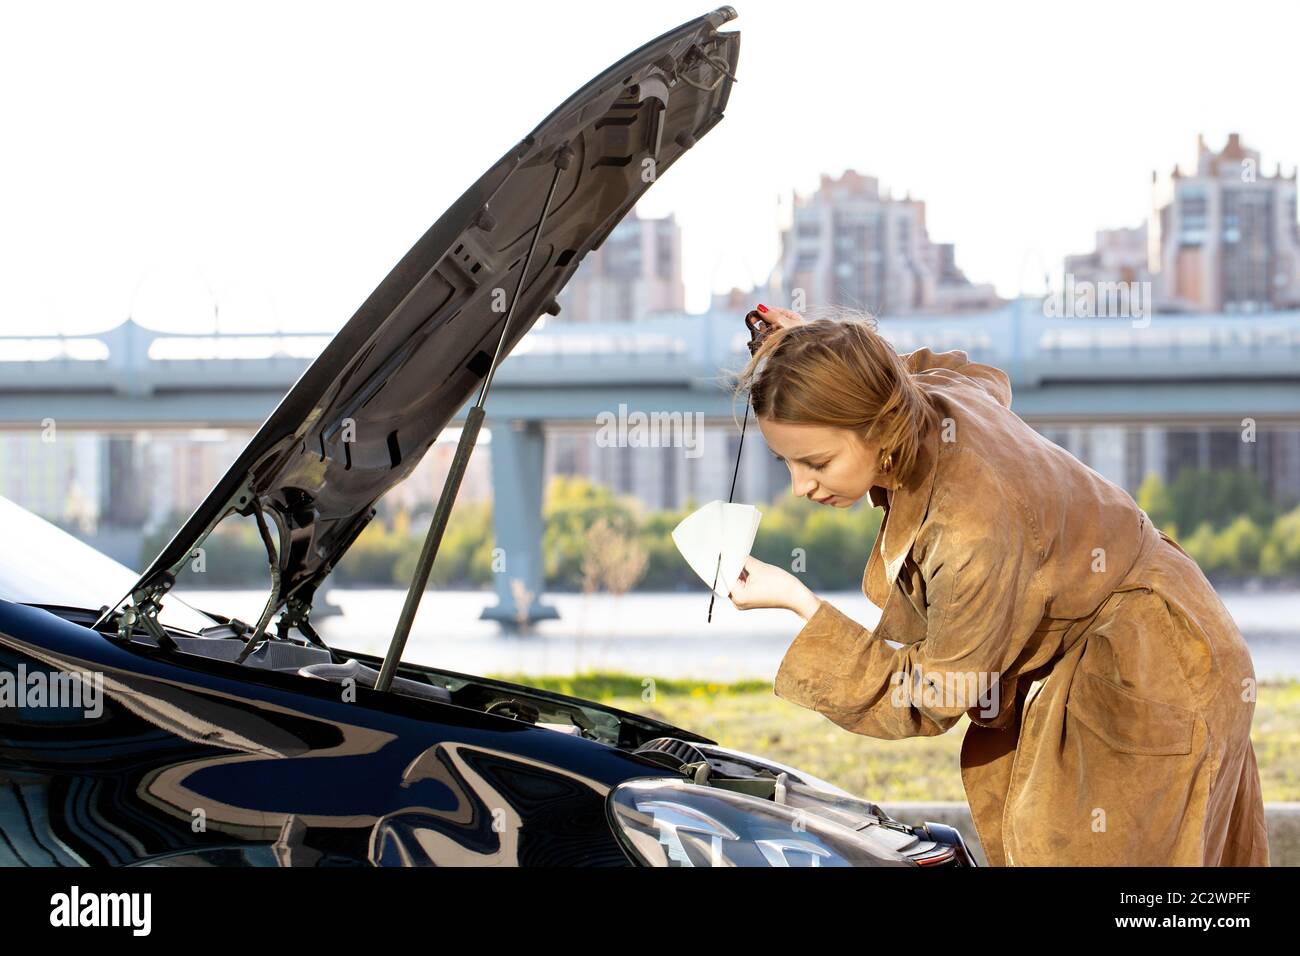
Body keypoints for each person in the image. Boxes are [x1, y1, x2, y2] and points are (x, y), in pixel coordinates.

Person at [727, 304, 1270, 867]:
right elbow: (968, 376)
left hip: (1150, 676)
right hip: (1175, 633)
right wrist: (816, 355)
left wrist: (800, 604)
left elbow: (935, 696)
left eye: (816, 462)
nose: (799, 486)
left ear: (877, 423)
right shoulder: (931, 398)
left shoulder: (970, 529)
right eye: (785, 461)